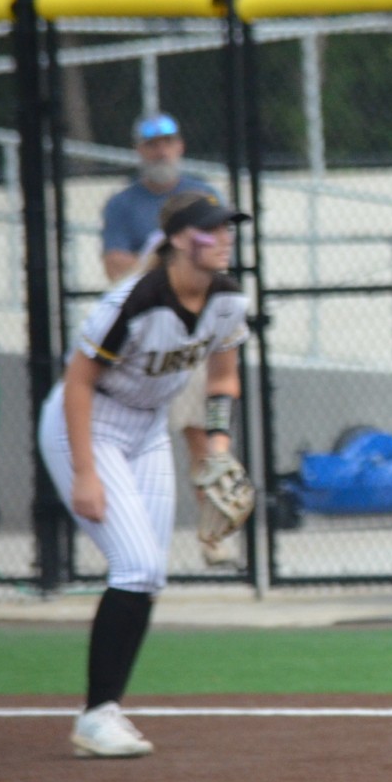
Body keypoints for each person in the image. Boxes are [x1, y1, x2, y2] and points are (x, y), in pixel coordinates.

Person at [41, 191, 251, 757]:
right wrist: (85, 472)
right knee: (135, 564)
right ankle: (95, 717)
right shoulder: (134, 299)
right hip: (88, 422)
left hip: (148, 427)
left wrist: (216, 447)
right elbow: (78, 383)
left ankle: (106, 710)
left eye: (229, 227)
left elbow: (223, 378)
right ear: (181, 240)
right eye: (213, 229)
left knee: (149, 574)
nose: (226, 237)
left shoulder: (227, 299)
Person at [100, 113, 238, 566]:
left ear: (180, 145)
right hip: (143, 341)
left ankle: (216, 535)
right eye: (152, 144)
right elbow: (117, 267)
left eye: (169, 141)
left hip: (190, 338)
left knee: (204, 439)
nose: (161, 151)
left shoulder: (202, 194)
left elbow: (214, 268)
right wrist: (164, 269)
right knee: (136, 446)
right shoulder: (124, 204)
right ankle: (135, 545)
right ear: (139, 150)